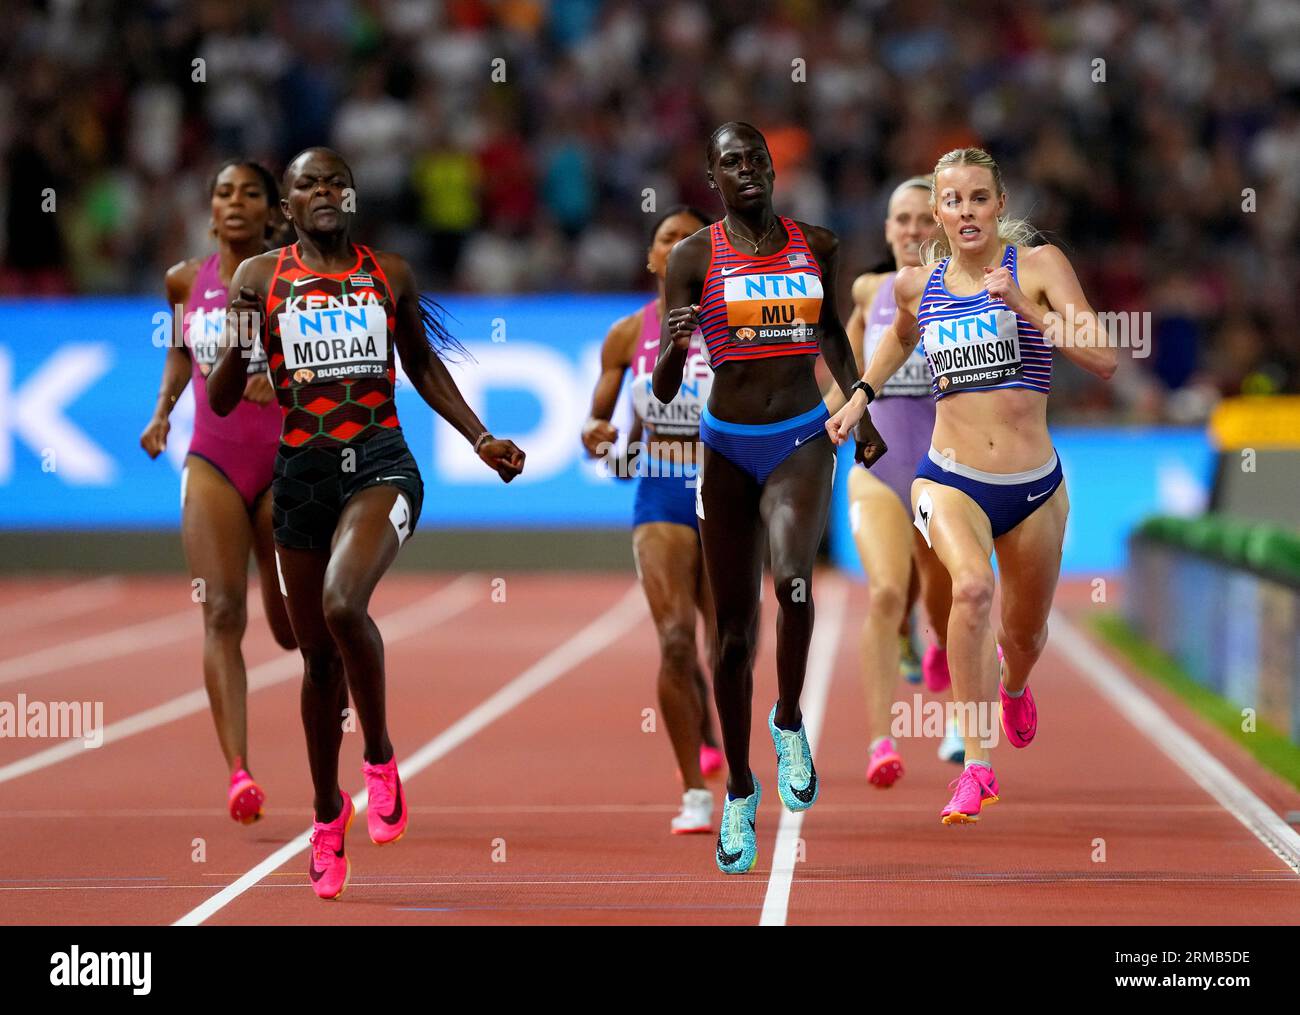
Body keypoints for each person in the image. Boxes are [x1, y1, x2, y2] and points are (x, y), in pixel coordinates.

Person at [209, 147, 525, 899]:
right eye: (308, 183)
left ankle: (379, 757)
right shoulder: (259, 279)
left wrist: (479, 437)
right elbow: (222, 397)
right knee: (317, 661)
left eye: (336, 182)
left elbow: (422, 365)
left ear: (351, 198)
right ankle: (326, 815)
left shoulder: (389, 273)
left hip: (382, 462)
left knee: (344, 602)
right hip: (301, 479)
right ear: (286, 207)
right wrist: (241, 343)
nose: (324, 191)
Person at [828, 147, 1116, 824]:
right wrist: (861, 395)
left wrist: (1024, 306)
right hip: (948, 476)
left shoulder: (1037, 267)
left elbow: (1102, 355)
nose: (966, 212)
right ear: (937, 213)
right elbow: (897, 339)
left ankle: (1014, 685)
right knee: (973, 588)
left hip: (1034, 485)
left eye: (978, 198)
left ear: (1000, 205)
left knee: (1023, 635)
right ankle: (977, 764)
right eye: (952, 201)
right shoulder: (916, 285)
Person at [654, 122, 884, 873]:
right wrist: (678, 345)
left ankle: (788, 717)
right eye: (730, 162)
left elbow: (831, 339)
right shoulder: (693, 258)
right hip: (725, 446)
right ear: (711, 177)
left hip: (799, 438)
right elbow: (662, 385)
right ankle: (742, 789)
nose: (746, 170)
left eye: (756, 158)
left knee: (792, 580)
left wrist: (859, 402)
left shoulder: (815, 244)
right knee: (729, 634)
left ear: (772, 168)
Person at [140, 160, 296, 825]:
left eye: (251, 193)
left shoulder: (295, 278)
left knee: (293, 630)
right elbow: (180, 348)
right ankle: (239, 771)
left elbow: (331, 364)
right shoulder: (185, 279)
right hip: (211, 458)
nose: (235, 202)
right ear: (210, 211)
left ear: (271, 212)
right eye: (223, 192)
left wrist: (280, 382)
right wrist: (162, 409)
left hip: (286, 460)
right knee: (222, 613)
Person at [581, 205, 725, 836]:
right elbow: (597, 425)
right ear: (652, 258)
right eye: (667, 238)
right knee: (673, 639)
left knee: (729, 647)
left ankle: (738, 763)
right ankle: (694, 787)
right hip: (660, 490)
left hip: (725, 490)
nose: (678, 247)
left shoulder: (736, 328)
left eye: (691, 239)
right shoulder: (625, 334)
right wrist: (598, 433)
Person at [824, 177, 959, 787]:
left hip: (946, 475)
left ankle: (958, 707)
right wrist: (834, 407)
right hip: (879, 471)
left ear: (944, 225)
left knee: (950, 600)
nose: (911, 231)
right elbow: (844, 365)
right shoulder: (870, 290)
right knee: (884, 593)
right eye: (900, 220)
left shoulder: (969, 295)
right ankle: (882, 740)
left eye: (922, 220)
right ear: (886, 230)